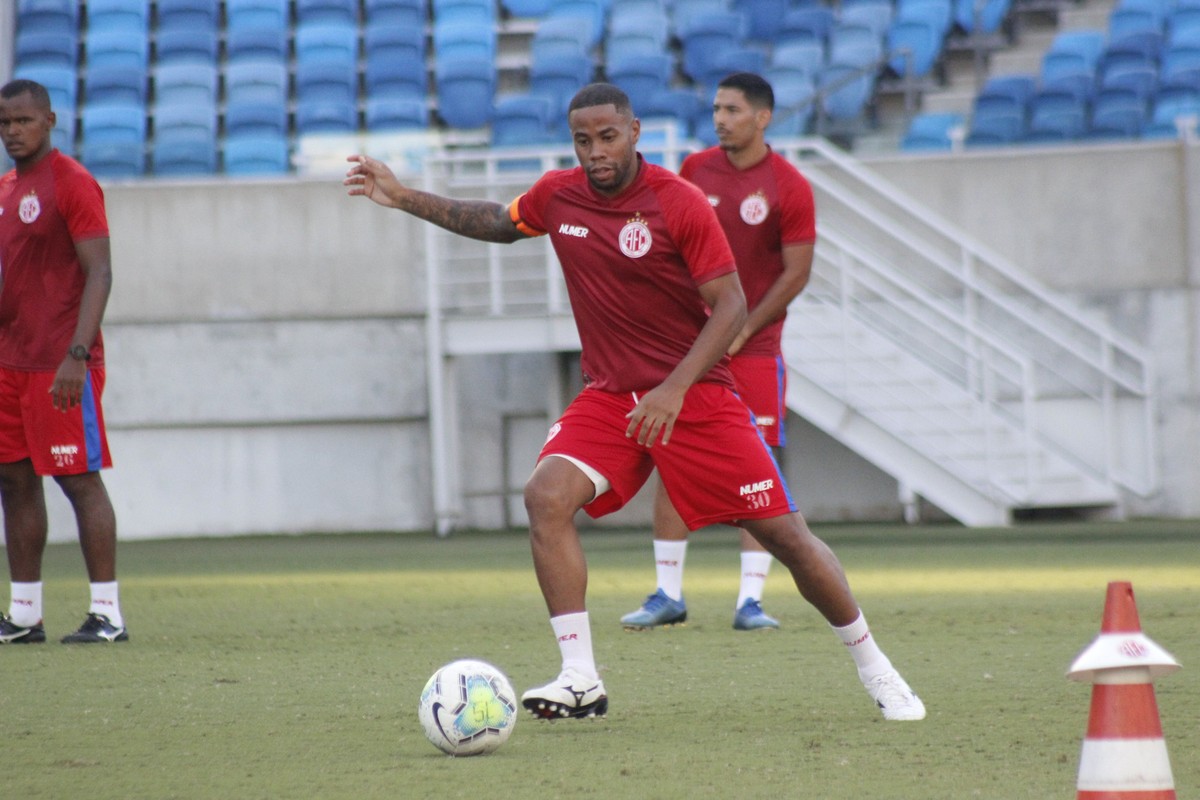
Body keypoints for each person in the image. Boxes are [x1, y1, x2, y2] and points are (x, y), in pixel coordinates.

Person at [345, 83, 924, 721]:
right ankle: (579, 677)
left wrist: (675, 389)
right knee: (545, 497)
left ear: (635, 131)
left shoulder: (678, 204)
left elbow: (730, 304)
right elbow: (495, 222)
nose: (595, 151)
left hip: (698, 394)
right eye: (583, 140)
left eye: (607, 137)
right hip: (611, 398)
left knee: (786, 537)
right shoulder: (557, 194)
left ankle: (878, 668)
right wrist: (401, 197)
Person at [621, 72, 815, 632]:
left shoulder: (788, 186)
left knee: (757, 467)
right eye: (716, 109)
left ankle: (749, 601)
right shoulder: (693, 172)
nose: (721, 119)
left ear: (763, 117)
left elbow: (795, 272)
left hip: (755, 352)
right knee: (670, 451)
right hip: (691, 346)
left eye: (732, 109)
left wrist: (742, 329)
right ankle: (667, 592)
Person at [0, 79, 127, 645]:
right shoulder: (5, 188)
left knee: (78, 479)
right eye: (4, 123)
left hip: (62, 364)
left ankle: (108, 614)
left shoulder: (72, 182)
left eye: (23, 121)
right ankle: (24, 614)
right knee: (15, 481)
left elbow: (99, 271)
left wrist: (77, 354)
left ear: (49, 120)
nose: (12, 132)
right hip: (10, 364)